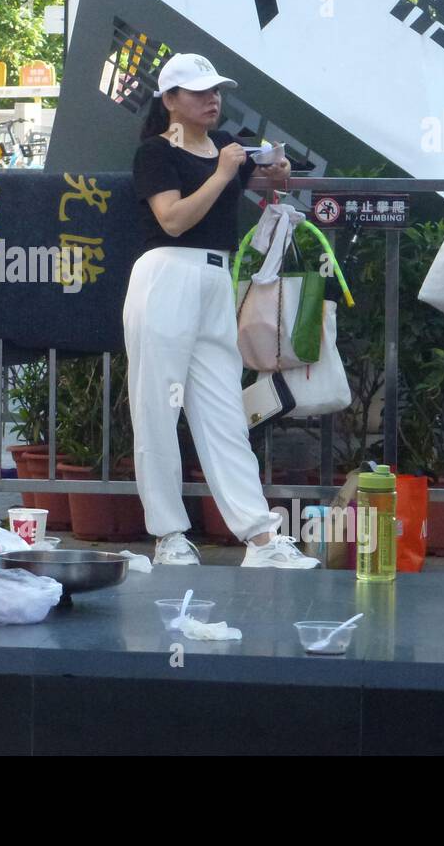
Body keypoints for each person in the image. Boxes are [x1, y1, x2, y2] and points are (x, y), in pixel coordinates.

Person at [124, 52, 318, 568]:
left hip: (215, 278)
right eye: (200, 92)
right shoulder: (155, 153)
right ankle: (168, 534)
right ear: (171, 101)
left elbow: (275, 179)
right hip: (165, 272)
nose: (213, 100)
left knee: (224, 412)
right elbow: (172, 219)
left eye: (216, 91)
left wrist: (277, 170)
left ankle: (259, 536)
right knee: (157, 409)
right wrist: (224, 171)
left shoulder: (227, 152)